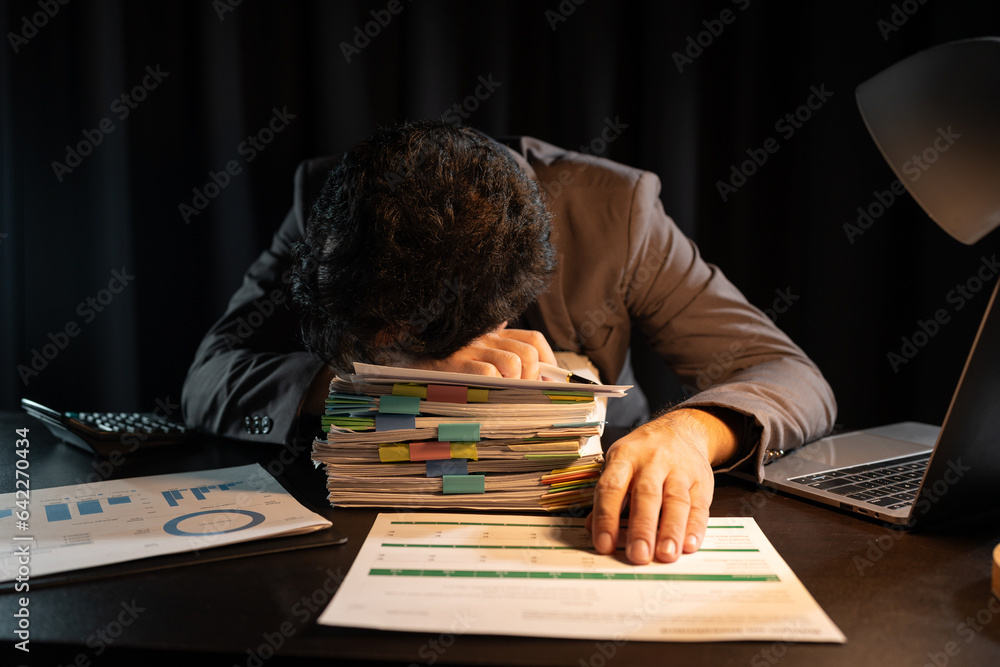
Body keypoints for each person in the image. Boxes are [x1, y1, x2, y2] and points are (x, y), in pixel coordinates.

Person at [182, 120, 837, 565]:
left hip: (589, 510)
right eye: (384, 337)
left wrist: (691, 432)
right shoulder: (329, 205)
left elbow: (789, 372)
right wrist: (357, 383)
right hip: (370, 521)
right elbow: (205, 382)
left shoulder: (617, 214)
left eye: (420, 336)